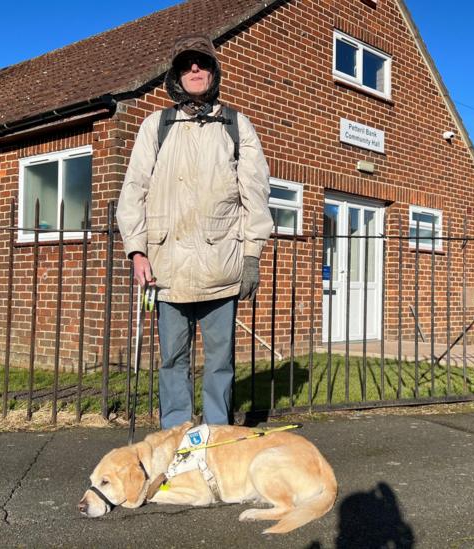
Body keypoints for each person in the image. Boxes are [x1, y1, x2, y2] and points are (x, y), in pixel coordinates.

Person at [116, 35, 271, 429]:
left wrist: (251, 255)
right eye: (187, 64)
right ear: (176, 76)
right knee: (172, 360)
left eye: (202, 62)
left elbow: (255, 195)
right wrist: (137, 251)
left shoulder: (236, 125)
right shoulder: (156, 126)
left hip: (221, 267)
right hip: (166, 269)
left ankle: (216, 436)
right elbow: (133, 191)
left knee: (220, 362)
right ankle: (177, 436)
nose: (195, 69)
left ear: (214, 71)